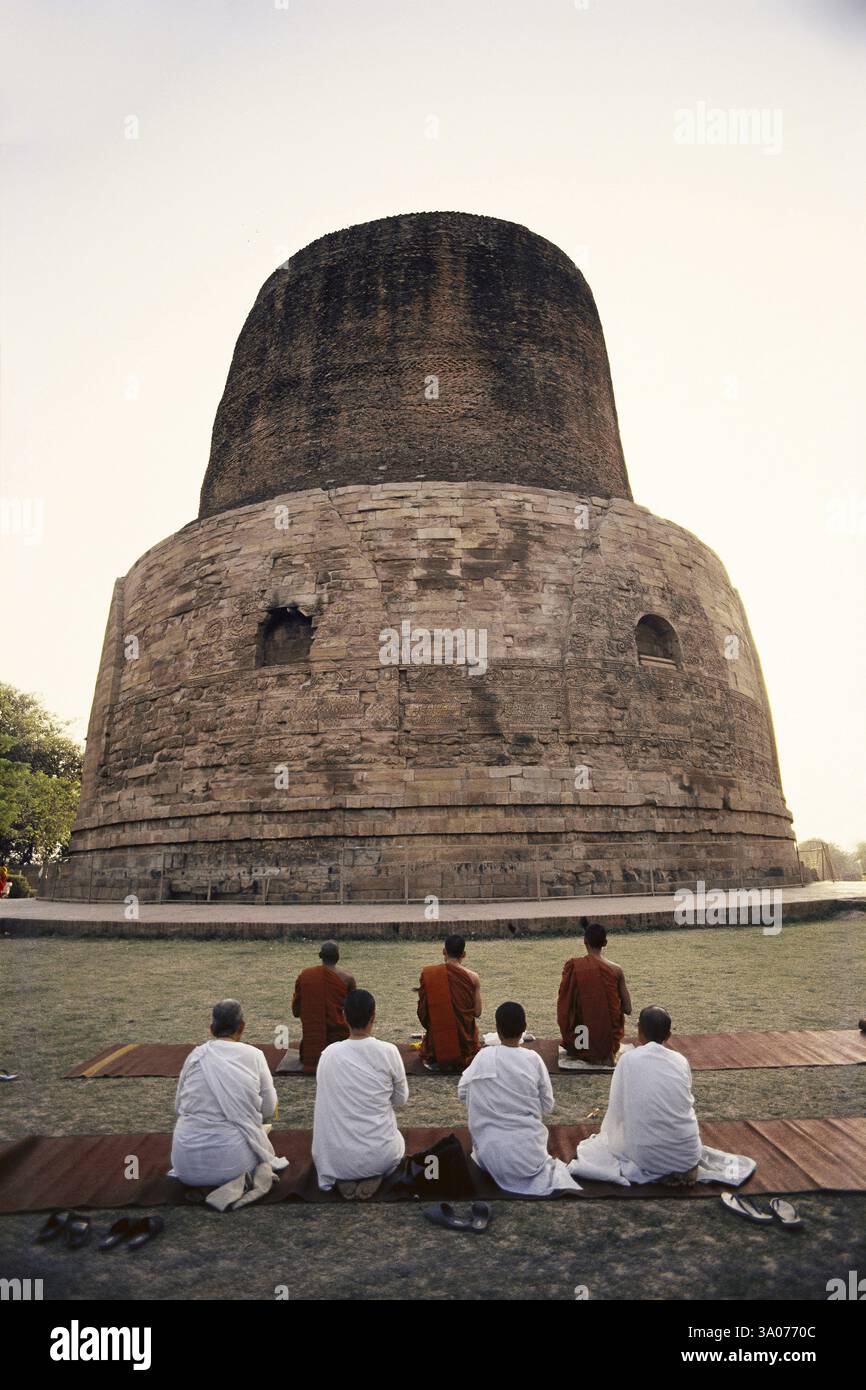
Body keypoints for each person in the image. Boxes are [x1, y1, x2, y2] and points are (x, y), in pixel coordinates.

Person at [569, 1005, 703, 1186]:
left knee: (605, 1145)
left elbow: (616, 1108)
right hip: (688, 1155)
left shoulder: (628, 1059)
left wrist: (612, 1135)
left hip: (646, 1157)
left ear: (639, 1030)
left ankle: (657, 1163)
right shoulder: (680, 1060)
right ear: (668, 1035)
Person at [457, 1001, 580, 1197]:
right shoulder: (533, 1059)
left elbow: (462, 1092)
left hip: (490, 1156)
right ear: (524, 1028)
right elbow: (547, 1104)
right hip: (530, 1155)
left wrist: (487, 1103)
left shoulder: (483, 1057)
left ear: (497, 1030)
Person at [170, 999, 288, 1192]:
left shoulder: (195, 1056)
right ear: (241, 1027)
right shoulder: (254, 1055)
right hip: (232, 1164)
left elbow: (178, 1107)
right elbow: (268, 1108)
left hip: (186, 1166)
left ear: (211, 1029)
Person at [311, 989, 409, 1200]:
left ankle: (345, 1174)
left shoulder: (329, 1054)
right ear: (373, 1017)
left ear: (343, 1016)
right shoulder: (388, 1051)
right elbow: (401, 1100)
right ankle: (375, 1171)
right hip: (380, 1155)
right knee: (398, 1144)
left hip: (334, 1158)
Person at [557, 922, 631, 1065]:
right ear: (605, 943)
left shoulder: (574, 967)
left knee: (578, 1019)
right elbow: (628, 1009)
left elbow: (565, 1008)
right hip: (609, 1042)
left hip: (581, 1042)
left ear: (585, 941)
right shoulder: (616, 970)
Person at [417, 934, 481, 1072]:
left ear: (444, 952)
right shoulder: (473, 977)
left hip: (438, 1046)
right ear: (464, 954)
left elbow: (423, 1012)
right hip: (464, 1044)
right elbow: (477, 1012)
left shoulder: (430, 974)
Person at [291, 940, 356, 1073]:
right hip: (339, 1041)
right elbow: (353, 1010)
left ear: (320, 955)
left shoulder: (306, 976)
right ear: (338, 956)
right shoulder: (348, 978)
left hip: (311, 1045)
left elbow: (296, 1010)